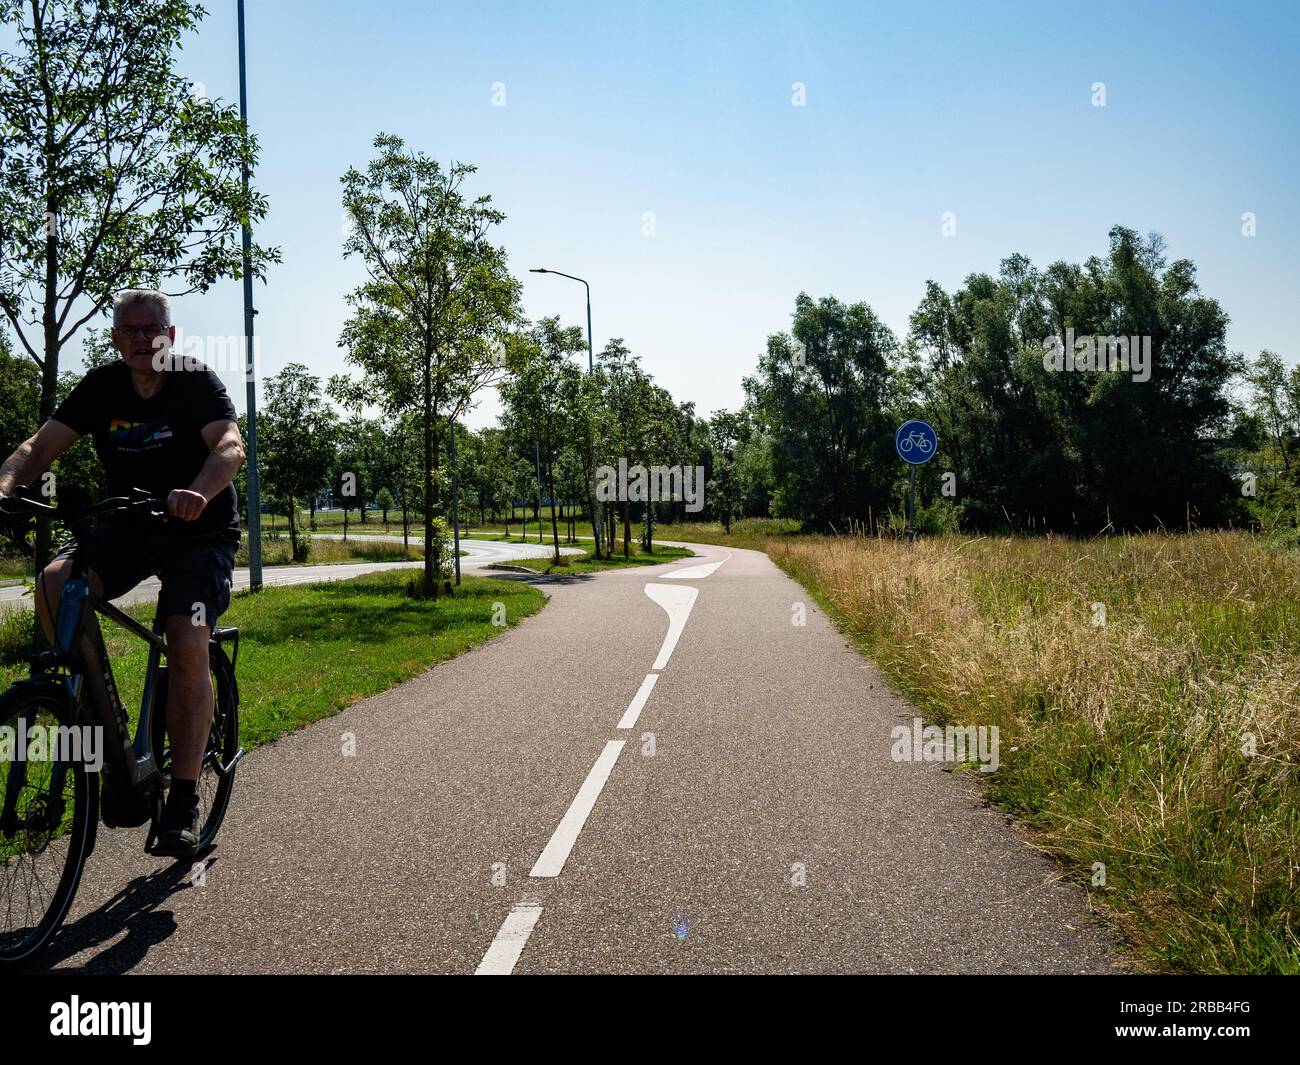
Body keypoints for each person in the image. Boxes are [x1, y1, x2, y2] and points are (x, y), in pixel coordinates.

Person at [0, 289, 246, 858]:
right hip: (130, 524)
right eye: (129, 330)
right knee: (56, 582)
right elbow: (39, 446)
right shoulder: (102, 386)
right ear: (114, 339)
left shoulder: (194, 381)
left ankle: (182, 800)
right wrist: (7, 485)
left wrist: (198, 492)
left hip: (199, 529)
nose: (141, 338)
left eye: (151, 328)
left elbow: (230, 446)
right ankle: (103, 732)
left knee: (185, 636)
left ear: (170, 336)